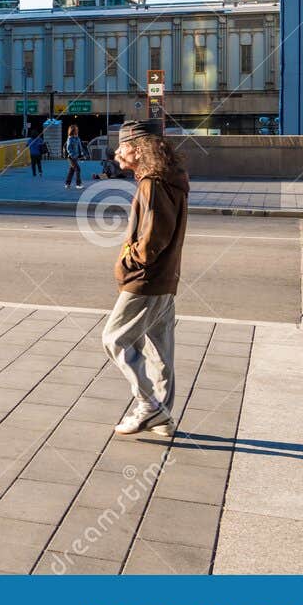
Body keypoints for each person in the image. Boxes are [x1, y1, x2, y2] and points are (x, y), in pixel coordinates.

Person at [102, 120, 189, 440]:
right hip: (164, 278)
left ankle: (148, 404)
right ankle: (163, 418)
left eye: (122, 146)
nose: (116, 152)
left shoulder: (153, 184)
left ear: (138, 150)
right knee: (159, 351)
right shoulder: (169, 180)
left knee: (114, 339)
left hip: (145, 280)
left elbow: (153, 239)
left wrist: (127, 261)